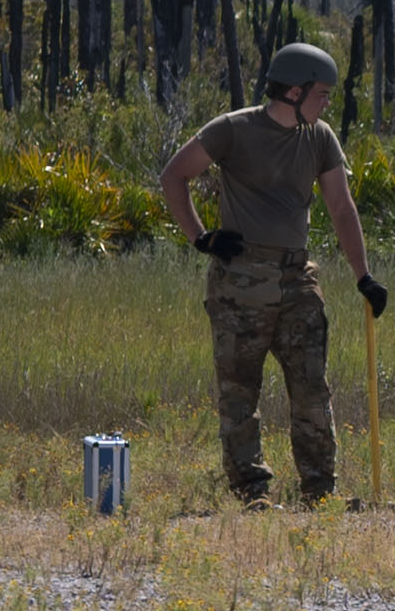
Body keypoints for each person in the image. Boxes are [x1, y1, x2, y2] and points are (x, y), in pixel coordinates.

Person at [160, 40, 382, 506]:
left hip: (297, 278)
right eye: (322, 94)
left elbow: (341, 207)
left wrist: (363, 276)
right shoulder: (233, 130)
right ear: (296, 92)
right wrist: (201, 237)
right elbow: (174, 176)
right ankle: (252, 491)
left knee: (312, 388)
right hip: (240, 282)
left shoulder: (320, 137)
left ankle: (320, 492)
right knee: (240, 391)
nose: (327, 103)